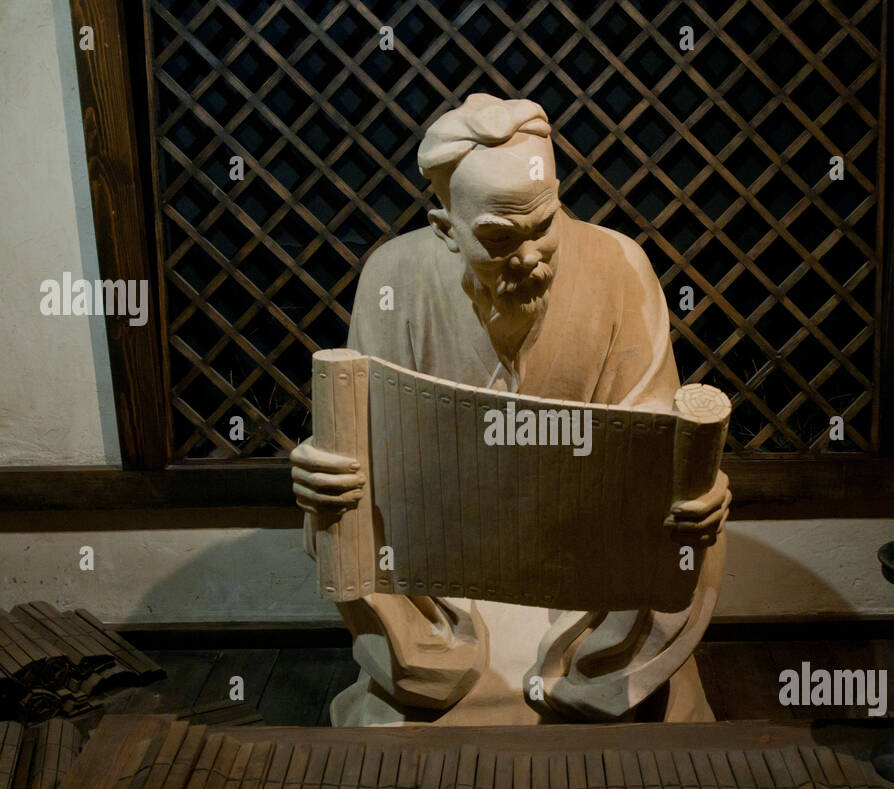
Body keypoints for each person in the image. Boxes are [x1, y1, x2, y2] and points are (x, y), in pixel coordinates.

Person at [291, 94, 729, 725]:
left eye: (544, 226)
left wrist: (694, 487)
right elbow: (360, 441)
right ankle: (435, 667)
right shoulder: (393, 276)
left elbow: (653, 443)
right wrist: (322, 468)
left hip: (586, 562)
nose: (529, 257)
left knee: (696, 525)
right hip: (446, 571)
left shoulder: (620, 266)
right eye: (499, 238)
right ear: (447, 229)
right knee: (338, 510)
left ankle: (592, 677)